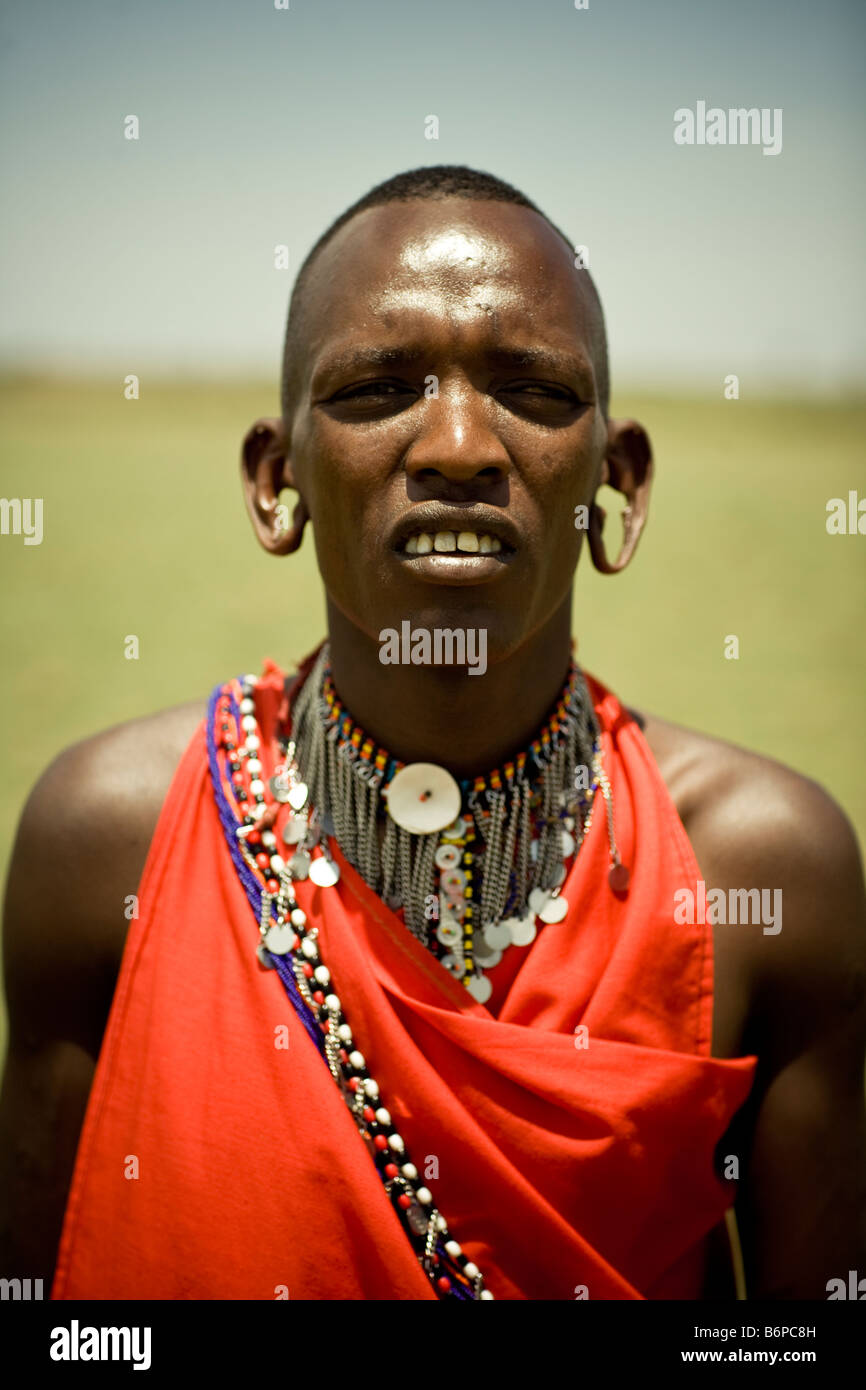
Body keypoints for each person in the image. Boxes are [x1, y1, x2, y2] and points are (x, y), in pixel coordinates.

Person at [1, 166, 864, 1301]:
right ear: (276, 480)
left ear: (617, 482)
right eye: (375, 388)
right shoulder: (108, 843)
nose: (458, 444)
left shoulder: (761, 871)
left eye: (532, 391)